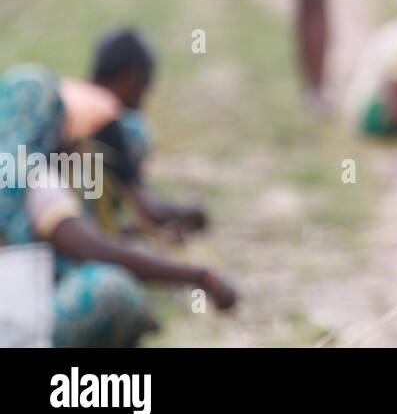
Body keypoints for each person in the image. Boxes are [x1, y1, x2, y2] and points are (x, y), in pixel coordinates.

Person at [0, 66, 236, 347]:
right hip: (17, 325)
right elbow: (92, 248)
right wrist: (200, 277)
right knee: (110, 291)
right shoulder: (35, 180)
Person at [80, 28, 206, 237]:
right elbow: (146, 208)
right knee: (135, 130)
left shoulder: (75, 98)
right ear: (133, 78)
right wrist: (187, 215)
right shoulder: (104, 116)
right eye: (147, 85)